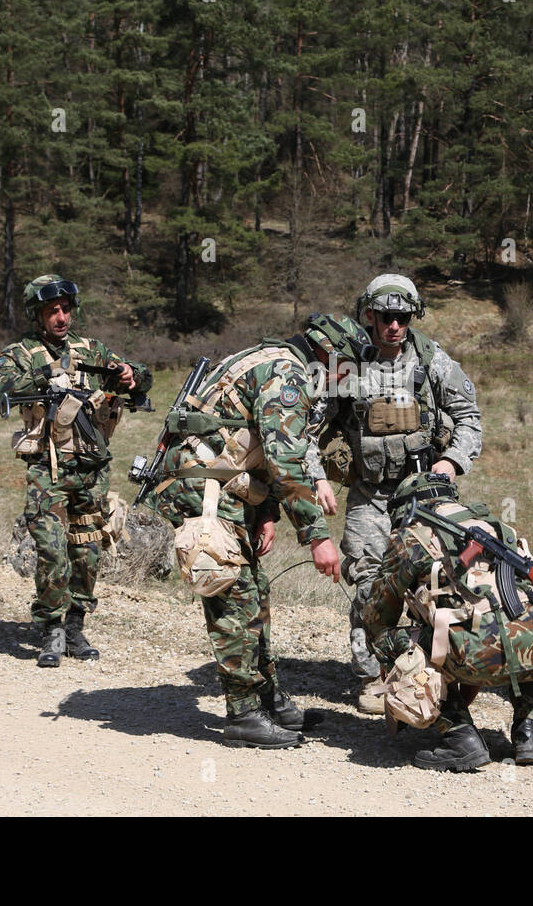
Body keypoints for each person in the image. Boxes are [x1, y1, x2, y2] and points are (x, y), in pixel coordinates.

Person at [147, 314, 368, 748]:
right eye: (345, 368)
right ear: (329, 353)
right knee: (235, 594)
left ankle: (267, 697)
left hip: (221, 482)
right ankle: (242, 713)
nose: (343, 379)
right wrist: (317, 536)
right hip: (203, 487)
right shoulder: (288, 373)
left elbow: (256, 444)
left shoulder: (273, 358)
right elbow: (285, 461)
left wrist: (265, 510)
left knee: (254, 588)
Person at [316, 274, 482, 714]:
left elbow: (469, 418)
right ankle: (374, 676)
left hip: (423, 494)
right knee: (370, 579)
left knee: (435, 580)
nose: (393, 325)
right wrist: (317, 475)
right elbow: (311, 426)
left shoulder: (431, 360)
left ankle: (434, 669)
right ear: (369, 315)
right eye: (385, 316)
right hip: (369, 493)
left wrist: (451, 463)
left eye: (402, 317)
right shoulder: (346, 364)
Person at [0, 274, 151, 668]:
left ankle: (75, 625)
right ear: (37, 315)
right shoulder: (22, 353)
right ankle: (50, 629)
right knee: (52, 550)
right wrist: (46, 374)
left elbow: (138, 377)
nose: (61, 317)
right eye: (51, 311)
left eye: (65, 309)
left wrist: (130, 374)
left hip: (92, 467)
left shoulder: (90, 348)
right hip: (49, 468)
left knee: (88, 552)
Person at [361, 472, 533, 771]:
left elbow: (380, 613)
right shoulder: (498, 527)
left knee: (384, 638)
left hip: (477, 656)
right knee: (528, 625)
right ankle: (528, 732)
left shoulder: (412, 537)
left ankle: (460, 737)